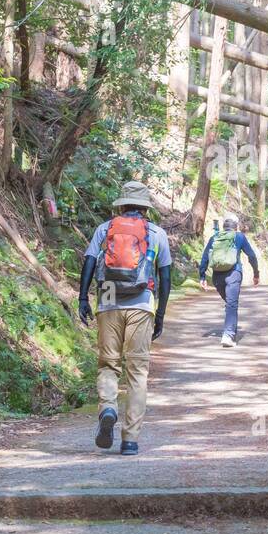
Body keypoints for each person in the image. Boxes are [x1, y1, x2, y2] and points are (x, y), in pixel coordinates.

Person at [78, 181, 172, 456]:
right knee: (137, 373)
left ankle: (108, 407)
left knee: (108, 364)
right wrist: (161, 313)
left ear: (121, 204)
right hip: (142, 302)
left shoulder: (104, 229)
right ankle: (130, 439)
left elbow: (89, 262)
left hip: (107, 299)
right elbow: (165, 276)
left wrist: (83, 297)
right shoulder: (156, 233)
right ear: (145, 207)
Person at [198, 213, 259, 348]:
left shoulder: (215, 237)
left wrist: (202, 276)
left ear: (224, 225)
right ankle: (228, 334)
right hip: (234, 274)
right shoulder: (239, 237)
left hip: (217, 276)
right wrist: (256, 273)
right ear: (236, 226)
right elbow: (252, 256)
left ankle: (230, 330)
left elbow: (205, 258)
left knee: (230, 303)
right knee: (232, 304)